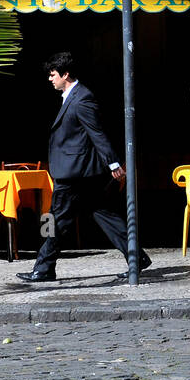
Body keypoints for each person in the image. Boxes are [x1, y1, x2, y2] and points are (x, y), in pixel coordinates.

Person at [17, 52, 151, 282]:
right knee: (104, 214)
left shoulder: (82, 98)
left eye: (53, 75)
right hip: (80, 173)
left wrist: (113, 162)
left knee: (55, 220)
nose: (50, 79)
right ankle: (137, 257)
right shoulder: (72, 96)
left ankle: (44, 267)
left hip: (74, 173)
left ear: (65, 74)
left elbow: (96, 132)